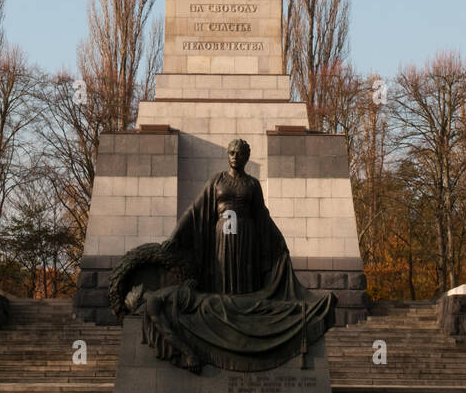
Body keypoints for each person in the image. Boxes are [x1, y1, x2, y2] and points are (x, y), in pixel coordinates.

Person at [109, 138, 336, 373]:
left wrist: (279, 241)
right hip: (222, 239)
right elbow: (195, 210)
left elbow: (263, 216)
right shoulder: (217, 181)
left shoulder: (252, 185)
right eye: (231, 152)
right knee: (221, 283)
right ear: (227, 156)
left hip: (246, 239)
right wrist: (175, 236)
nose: (234, 156)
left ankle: (242, 322)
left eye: (239, 153)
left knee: (244, 284)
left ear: (246, 157)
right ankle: (224, 321)